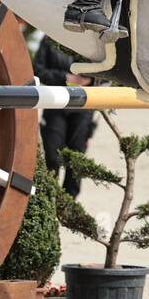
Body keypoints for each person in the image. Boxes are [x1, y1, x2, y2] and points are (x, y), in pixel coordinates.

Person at [32, 34, 95, 196]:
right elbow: (38, 69)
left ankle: (69, 206)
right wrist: (65, 77)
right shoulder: (48, 39)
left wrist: (90, 78)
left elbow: (104, 71)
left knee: (76, 159)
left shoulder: (90, 39)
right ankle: (48, 200)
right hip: (55, 103)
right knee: (52, 156)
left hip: (83, 105)